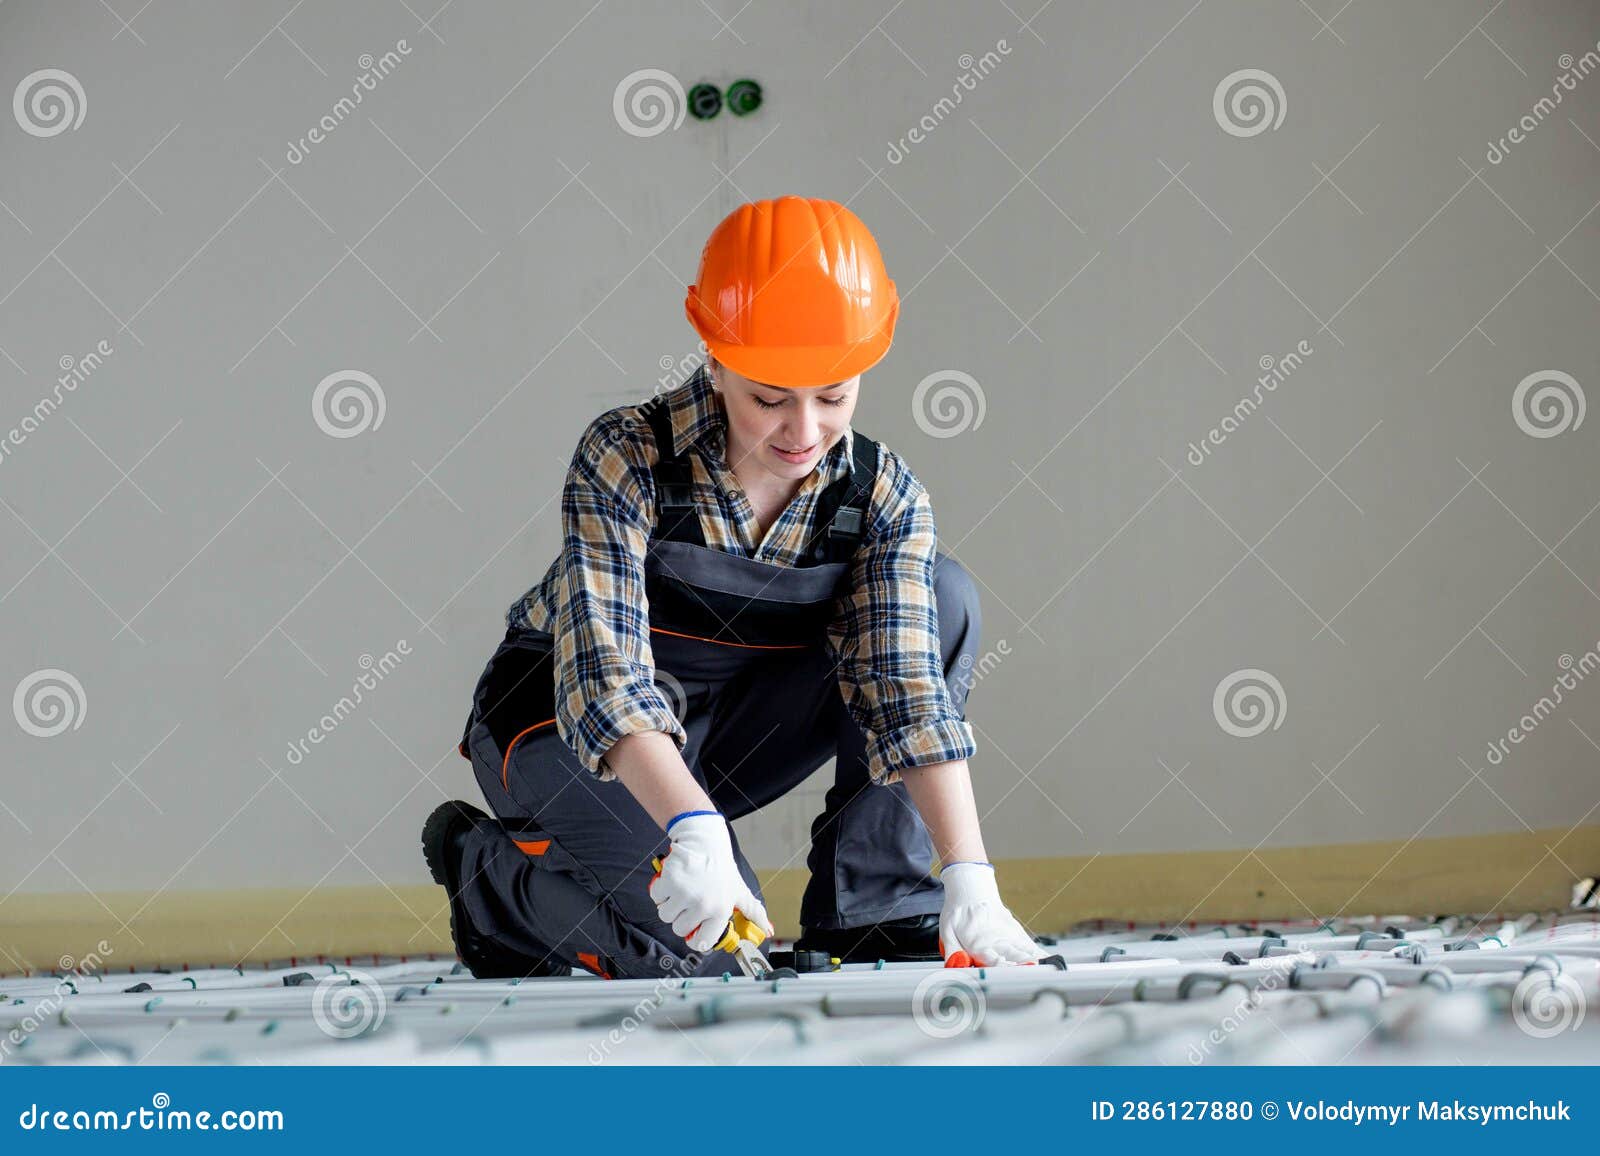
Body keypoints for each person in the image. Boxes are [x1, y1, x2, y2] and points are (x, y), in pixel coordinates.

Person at [422, 195, 1047, 980]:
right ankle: (491, 890)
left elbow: (906, 692)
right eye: (768, 397)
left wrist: (970, 878)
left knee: (942, 596)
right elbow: (607, 677)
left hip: (722, 737)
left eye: (833, 396)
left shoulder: (882, 496)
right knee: (704, 954)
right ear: (714, 360)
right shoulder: (628, 456)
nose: (805, 433)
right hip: (558, 727)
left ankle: (877, 905)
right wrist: (693, 827)